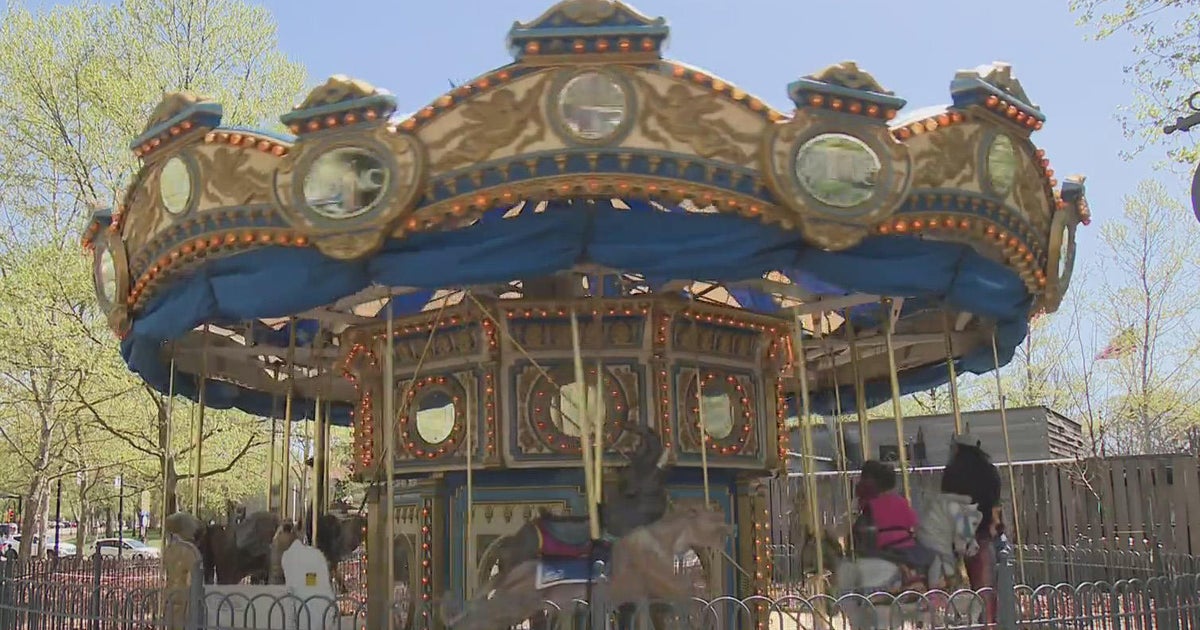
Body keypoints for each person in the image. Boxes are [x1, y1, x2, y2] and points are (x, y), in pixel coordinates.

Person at [940, 434, 1002, 621]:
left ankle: (957, 618)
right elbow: (994, 501)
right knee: (985, 585)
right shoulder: (989, 471)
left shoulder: (952, 472)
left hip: (959, 527)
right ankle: (988, 622)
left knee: (952, 580)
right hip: (981, 528)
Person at [853, 460, 934, 571]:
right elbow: (913, 523)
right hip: (907, 545)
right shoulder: (902, 501)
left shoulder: (871, 505)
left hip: (885, 547)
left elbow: (868, 530)